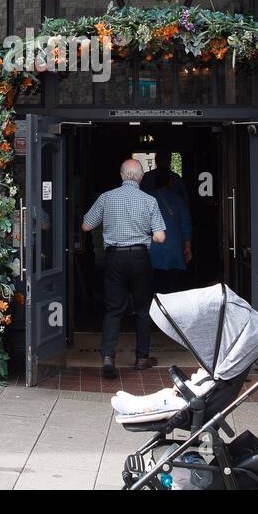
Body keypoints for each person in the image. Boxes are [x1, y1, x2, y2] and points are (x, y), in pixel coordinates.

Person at [82, 158, 167, 380]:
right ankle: (141, 359)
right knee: (142, 310)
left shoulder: (106, 198)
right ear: (140, 178)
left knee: (113, 310)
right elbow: (160, 237)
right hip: (140, 258)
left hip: (114, 259)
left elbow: (86, 225)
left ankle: (108, 357)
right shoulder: (149, 201)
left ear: (121, 176)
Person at [142, 152, 192, 296]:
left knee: (154, 285)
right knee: (173, 287)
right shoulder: (178, 197)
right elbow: (185, 223)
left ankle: (156, 311)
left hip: (153, 246)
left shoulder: (146, 195)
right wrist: (187, 245)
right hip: (174, 245)